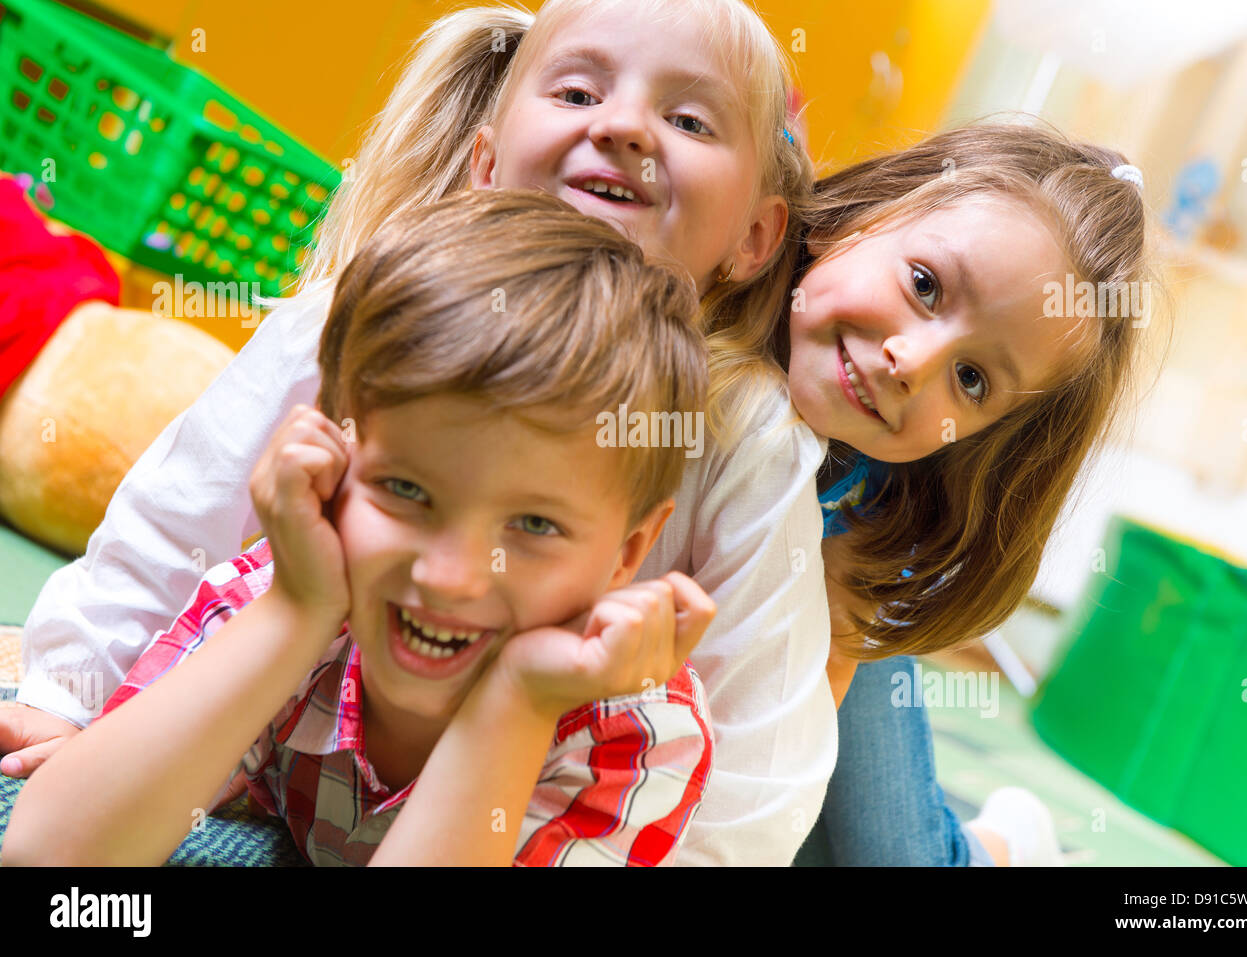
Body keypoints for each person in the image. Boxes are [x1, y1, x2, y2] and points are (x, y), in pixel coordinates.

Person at [1, 0, 837, 866]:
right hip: (305, 744)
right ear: (485, 161)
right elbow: (176, 519)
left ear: (757, 234)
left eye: (689, 118)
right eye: (580, 92)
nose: (624, 126)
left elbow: (760, 746)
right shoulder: (347, 365)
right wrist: (72, 694)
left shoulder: (743, 440)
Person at [2, 189, 718, 866]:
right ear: (335, 465)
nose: (451, 575)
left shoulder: (637, 734)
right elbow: (47, 856)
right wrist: (297, 611)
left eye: (534, 524)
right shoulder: (295, 582)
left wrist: (519, 702)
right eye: (406, 489)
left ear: (628, 552)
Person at [783, 122, 1158, 866]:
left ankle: (1010, 844)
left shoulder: (873, 511)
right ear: (855, 216)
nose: (911, 365)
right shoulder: (711, 303)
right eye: (924, 286)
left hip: (830, 602)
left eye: (973, 378)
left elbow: (780, 757)